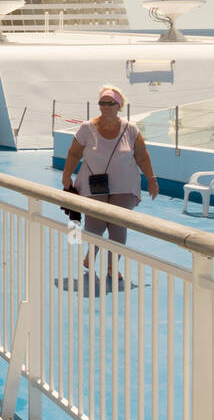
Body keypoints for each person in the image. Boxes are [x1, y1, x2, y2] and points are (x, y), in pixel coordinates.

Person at [61, 85, 159, 278]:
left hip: (124, 185)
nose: (105, 106)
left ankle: (112, 267)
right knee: (95, 226)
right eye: (102, 103)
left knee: (118, 226)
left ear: (119, 105)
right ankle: (92, 253)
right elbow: (74, 153)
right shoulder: (86, 128)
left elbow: (142, 156)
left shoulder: (130, 129)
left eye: (110, 103)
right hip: (93, 185)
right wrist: (66, 177)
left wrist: (152, 179)